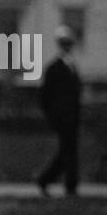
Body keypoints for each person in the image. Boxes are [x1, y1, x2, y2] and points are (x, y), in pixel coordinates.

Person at [37, 27, 82, 197]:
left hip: (73, 117)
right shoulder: (54, 68)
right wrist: (52, 116)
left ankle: (49, 180)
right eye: (65, 45)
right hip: (62, 118)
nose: (67, 47)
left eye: (69, 44)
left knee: (68, 152)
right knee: (68, 151)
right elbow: (45, 95)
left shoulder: (72, 66)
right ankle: (64, 184)